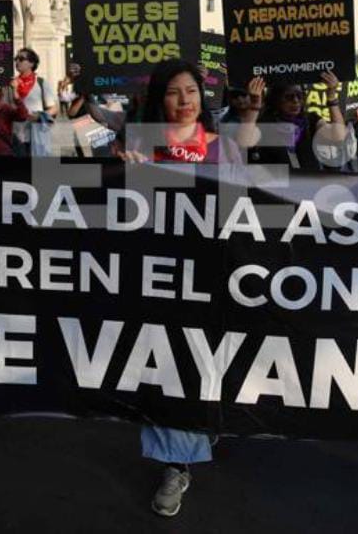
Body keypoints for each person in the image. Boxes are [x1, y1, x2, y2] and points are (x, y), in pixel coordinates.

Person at [115, 59, 253, 517]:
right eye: (174, 92)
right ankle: (176, 465)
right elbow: (119, 210)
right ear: (160, 99)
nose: (184, 100)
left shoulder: (224, 148)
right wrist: (124, 173)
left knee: (204, 366)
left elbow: (246, 207)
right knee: (170, 369)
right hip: (160, 278)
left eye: (191, 90)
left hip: (212, 277)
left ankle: (200, 432)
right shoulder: (140, 146)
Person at [247, 72, 349, 170]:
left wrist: (331, 97)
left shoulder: (310, 119)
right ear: (276, 100)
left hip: (309, 179)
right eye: (289, 97)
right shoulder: (265, 122)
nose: (295, 101)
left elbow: (338, 136)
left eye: (299, 96)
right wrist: (254, 105)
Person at [4, 48, 58, 156]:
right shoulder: (11, 84)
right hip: (17, 136)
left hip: (37, 135)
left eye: (21, 59)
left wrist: (39, 116)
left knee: (38, 166)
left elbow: (54, 109)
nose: (17, 61)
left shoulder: (41, 82)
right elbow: (5, 108)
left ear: (31, 63)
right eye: (16, 59)